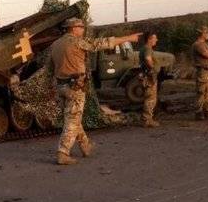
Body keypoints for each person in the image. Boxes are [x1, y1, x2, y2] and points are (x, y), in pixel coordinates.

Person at [48, 18, 141, 165]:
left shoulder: (55, 45)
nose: (83, 29)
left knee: (74, 117)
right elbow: (103, 43)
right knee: (72, 120)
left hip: (61, 86)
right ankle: (63, 152)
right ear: (73, 28)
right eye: (81, 27)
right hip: (75, 87)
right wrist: (129, 38)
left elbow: (50, 68)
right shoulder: (77, 42)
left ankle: (85, 145)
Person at [139, 31, 160, 127]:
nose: (156, 40)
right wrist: (152, 69)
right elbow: (148, 59)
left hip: (146, 75)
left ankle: (147, 118)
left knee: (149, 97)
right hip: (149, 76)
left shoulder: (144, 48)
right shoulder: (147, 49)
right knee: (150, 98)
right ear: (149, 39)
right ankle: (147, 120)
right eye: (155, 38)